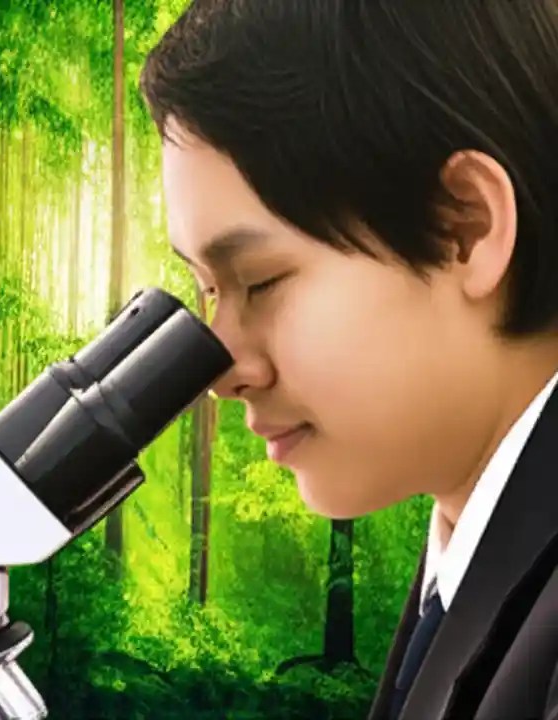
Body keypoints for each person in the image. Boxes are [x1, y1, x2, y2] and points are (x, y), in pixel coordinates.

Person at [140, 2, 558, 718]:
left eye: (260, 282)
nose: (223, 368)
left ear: (465, 227)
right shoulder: (472, 568)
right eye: (207, 291)